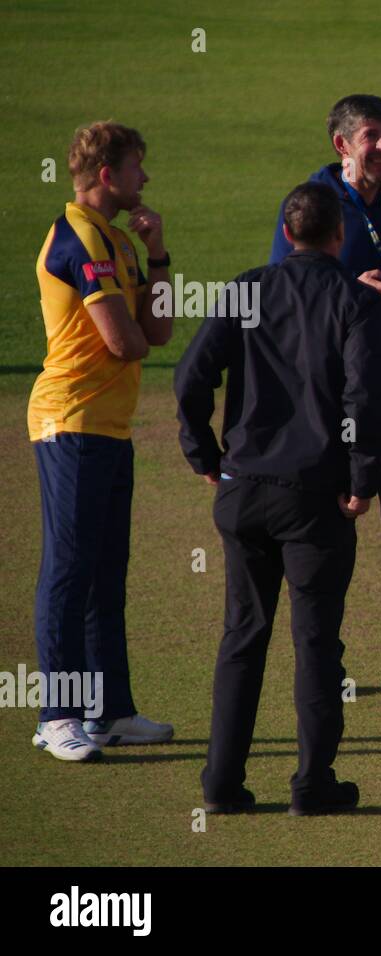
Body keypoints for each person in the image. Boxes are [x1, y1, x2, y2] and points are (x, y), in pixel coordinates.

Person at [176, 182, 381, 814]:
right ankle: (311, 783)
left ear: (286, 231)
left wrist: (206, 456)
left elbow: (191, 377)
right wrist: (362, 479)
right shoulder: (356, 302)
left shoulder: (247, 289)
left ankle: (220, 783)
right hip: (313, 499)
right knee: (317, 640)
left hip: (243, 490)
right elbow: (362, 399)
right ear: (338, 236)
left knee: (242, 636)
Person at [270, 94, 381, 693]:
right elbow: (286, 293)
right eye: (371, 135)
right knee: (330, 531)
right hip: (332, 397)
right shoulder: (311, 205)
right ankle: (326, 662)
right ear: (342, 144)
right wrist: (358, 289)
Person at [28, 121, 175, 762]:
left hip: (110, 427)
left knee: (105, 573)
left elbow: (160, 331)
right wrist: (136, 332)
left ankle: (109, 711)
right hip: (71, 422)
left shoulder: (120, 240)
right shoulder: (76, 238)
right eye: (137, 167)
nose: (145, 178)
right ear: (108, 175)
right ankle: (56, 715)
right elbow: (125, 340)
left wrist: (161, 253)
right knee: (68, 570)